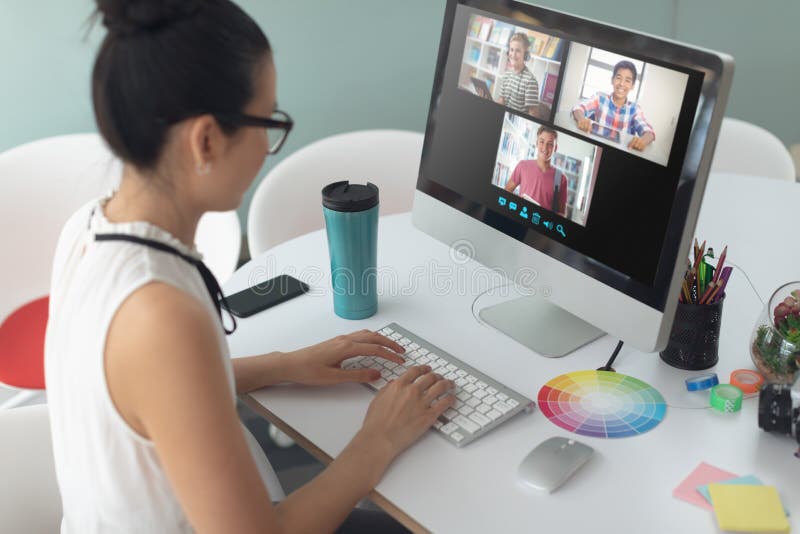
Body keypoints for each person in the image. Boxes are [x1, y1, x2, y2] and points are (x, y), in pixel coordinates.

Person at [44, 1, 455, 532]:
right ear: (207, 139)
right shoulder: (159, 313)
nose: (267, 147)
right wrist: (378, 439)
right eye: (268, 121)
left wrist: (286, 363)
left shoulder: (86, 229)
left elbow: (149, 391)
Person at [571, 60, 656, 151]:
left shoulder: (635, 109)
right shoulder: (599, 98)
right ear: (612, 80)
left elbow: (649, 132)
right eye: (619, 78)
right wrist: (581, 119)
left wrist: (642, 141)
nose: (622, 84)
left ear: (632, 86)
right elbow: (578, 109)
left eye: (627, 80)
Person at [504, 125, 567, 216]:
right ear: (536, 143)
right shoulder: (523, 166)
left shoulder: (561, 178)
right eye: (542, 142)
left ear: (555, 148)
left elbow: (562, 214)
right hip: (520, 216)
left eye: (550, 144)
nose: (545, 148)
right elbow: (506, 192)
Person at [496, 32, 541, 117]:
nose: (513, 55)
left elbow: (534, 116)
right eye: (511, 50)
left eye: (518, 51)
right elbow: (501, 100)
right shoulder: (506, 75)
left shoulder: (530, 81)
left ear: (525, 54)